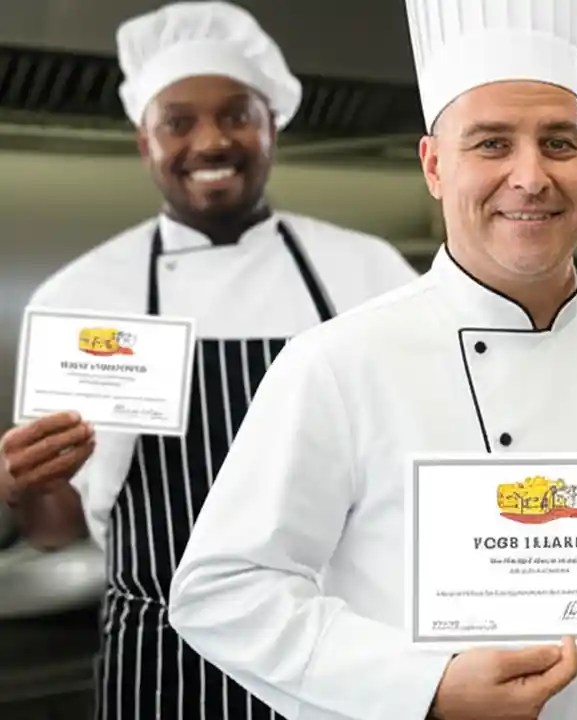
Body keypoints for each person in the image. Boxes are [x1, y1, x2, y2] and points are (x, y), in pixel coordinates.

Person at [166, 1, 577, 718]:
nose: (530, 177)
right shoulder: (337, 365)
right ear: (434, 165)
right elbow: (226, 587)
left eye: (558, 143)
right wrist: (424, 688)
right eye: (492, 144)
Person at [0, 2, 419, 718]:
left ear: (271, 125)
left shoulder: (367, 274)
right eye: (178, 121)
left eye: (236, 114)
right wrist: (22, 482)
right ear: (145, 141)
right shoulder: (83, 296)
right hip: (164, 659)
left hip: (338, 646)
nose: (211, 140)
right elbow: (54, 527)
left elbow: (423, 461)